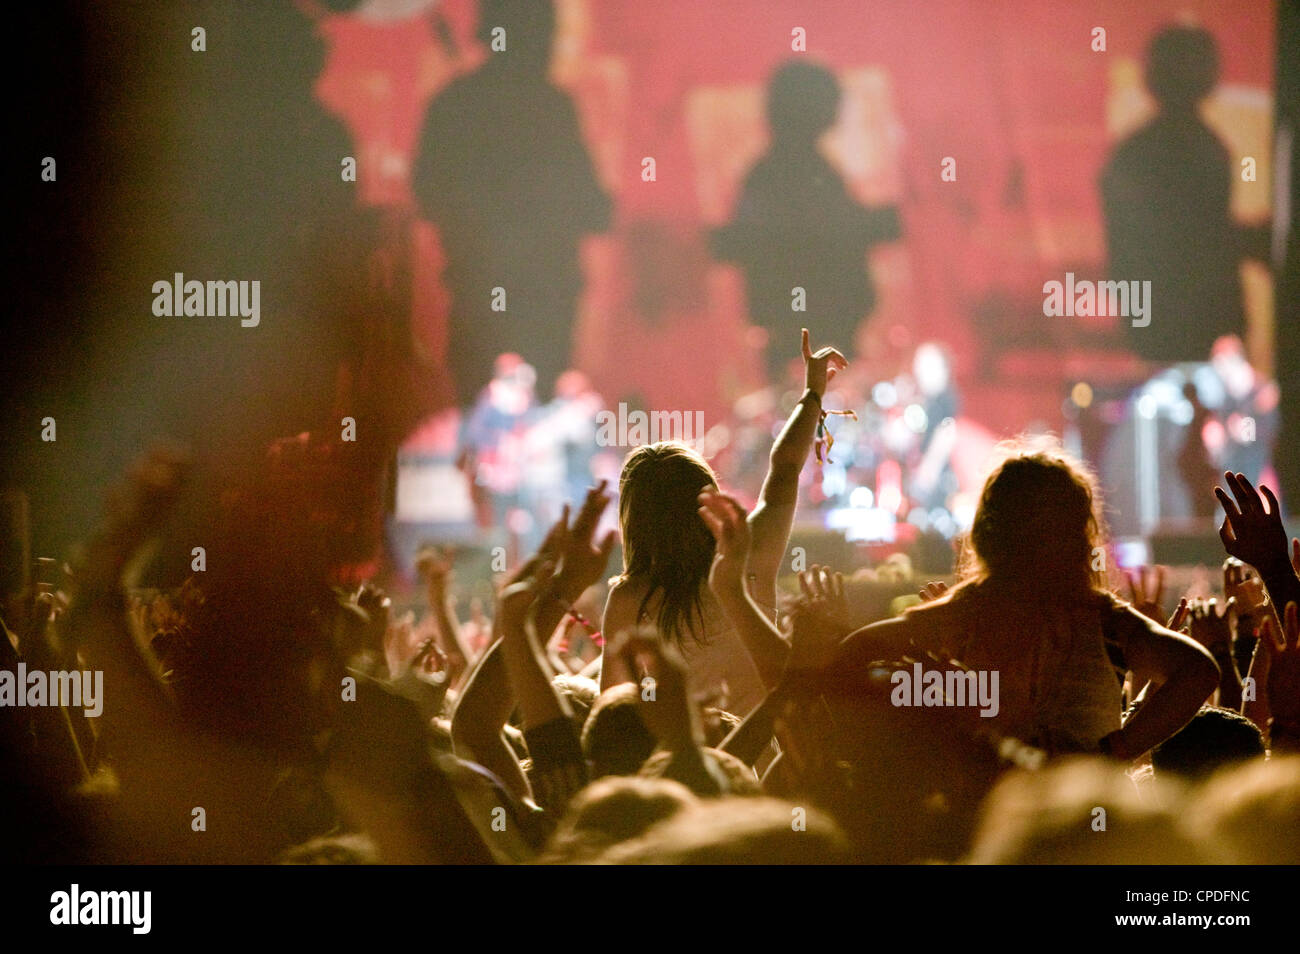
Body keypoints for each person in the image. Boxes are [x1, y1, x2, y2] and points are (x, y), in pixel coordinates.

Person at [831, 440, 1219, 757]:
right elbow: (1199, 670)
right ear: (1077, 533)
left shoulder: (960, 615)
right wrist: (1114, 752)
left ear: (989, 532)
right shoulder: (1106, 621)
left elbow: (854, 652)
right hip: (1091, 827)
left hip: (994, 826)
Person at [599, 330, 847, 716]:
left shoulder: (630, 599)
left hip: (683, 772)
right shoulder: (750, 556)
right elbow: (784, 471)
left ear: (635, 519)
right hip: (764, 769)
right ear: (706, 494)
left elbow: (611, 711)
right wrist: (813, 394)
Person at [410, 0, 611, 401]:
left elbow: (427, 192)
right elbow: (592, 207)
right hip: (537, 296)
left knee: (481, 410)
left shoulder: (459, 102)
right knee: (538, 417)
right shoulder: (550, 107)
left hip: (482, 292)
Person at [712, 60, 901, 380]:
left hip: (814, 338)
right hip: (806, 342)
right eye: (829, 100)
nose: (837, 109)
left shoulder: (790, 170)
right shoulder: (784, 172)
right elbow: (807, 237)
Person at [1099, 25, 1270, 362]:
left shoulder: (1140, 151)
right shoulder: (1192, 147)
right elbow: (1185, 239)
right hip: (1191, 324)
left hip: (1169, 326)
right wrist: (1250, 239)